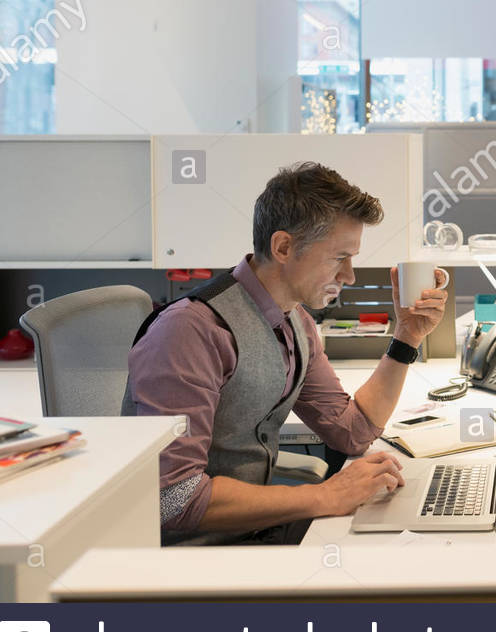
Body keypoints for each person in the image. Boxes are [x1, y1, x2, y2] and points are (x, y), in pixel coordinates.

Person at [124, 162, 448, 545]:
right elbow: (173, 500)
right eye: (338, 257)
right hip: (190, 559)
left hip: (251, 534)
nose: (349, 276)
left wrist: (407, 336)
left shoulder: (296, 323)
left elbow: (352, 432)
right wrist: (324, 496)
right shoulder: (190, 331)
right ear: (283, 247)